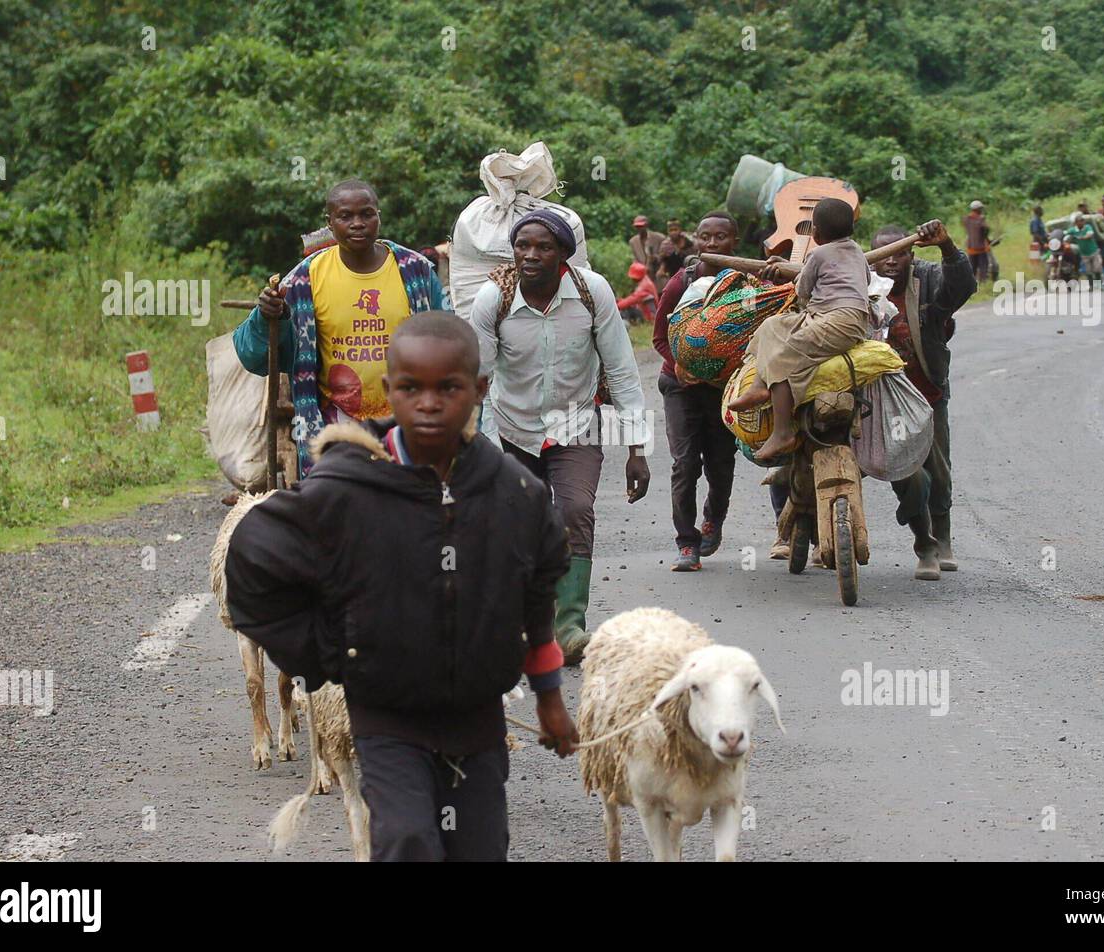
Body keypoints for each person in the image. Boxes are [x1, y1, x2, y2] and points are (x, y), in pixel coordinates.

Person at [223, 311, 579, 862]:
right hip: (387, 716)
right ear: (389, 391)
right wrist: (323, 654)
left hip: (477, 720)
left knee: (479, 851)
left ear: (480, 389)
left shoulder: (515, 495)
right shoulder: (350, 487)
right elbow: (254, 558)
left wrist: (550, 701)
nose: (430, 403)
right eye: (411, 388)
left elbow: (536, 598)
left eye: (449, 388)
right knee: (409, 841)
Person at [472, 209, 650, 664]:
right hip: (511, 427)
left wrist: (637, 449)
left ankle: (569, 625)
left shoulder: (593, 293)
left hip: (577, 423)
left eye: (543, 247)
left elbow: (623, 371)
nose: (530, 256)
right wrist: (477, 446)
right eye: (522, 246)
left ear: (564, 256)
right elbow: (477, 379)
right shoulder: (492, 299)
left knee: (574, 509)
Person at [233, 179, 445, 480]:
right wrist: (268, 317)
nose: (357, 224)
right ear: (329, 223)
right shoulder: (304, 279)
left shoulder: (415, 272)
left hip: (407, 420)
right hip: (335, 424)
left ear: (379, 217)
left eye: (367, 214)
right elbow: (251, 355)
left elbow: (447, 340)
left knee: (405, 505)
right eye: (346, 216)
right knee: (342, 508)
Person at [869, 221, 976, 579]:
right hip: (883, 404)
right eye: (883, 254)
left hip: (928, 395)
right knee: (908, 476)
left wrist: (947, 247)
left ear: (911, 254)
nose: (891, 261)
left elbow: (962, 287)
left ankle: (943, 538)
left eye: (899, 252)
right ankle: (924, 545)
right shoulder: (859, 287)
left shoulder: (928, 278)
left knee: (939, 473)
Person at [728, 197, 869, 463]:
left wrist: (787, 272)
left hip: (838, 320)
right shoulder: (858, 251)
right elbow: (864, 279)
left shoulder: (817, 254)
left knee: (785, 354)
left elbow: (801, 290)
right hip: (836, 317)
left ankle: (782, 432)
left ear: (815, 232)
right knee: (772, 326)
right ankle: (760, 385)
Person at [651, 211, 742, 572]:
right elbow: (659, 336)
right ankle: (686, 543)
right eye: (706, 237)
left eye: (721, 238)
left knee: (721, 464)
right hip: (680, 387)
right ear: (696, 240)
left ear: (734, 242)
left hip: (722, 390)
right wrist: (682, 366)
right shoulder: (681, 283)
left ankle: (712, 522)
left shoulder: (743, 284)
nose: (713, 244)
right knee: (685, 464)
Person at [1066, 212, 1103, 285]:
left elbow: (1090, 234)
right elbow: (1066, 233)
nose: (1081, 223)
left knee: (1097, 268)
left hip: (1093, 251)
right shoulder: (1073, 230)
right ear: (1076, 223)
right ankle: (1091, 285)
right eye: (1079, 221)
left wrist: (1083, 237)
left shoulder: (1087, 227)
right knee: (1088, 271)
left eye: (1082, 221)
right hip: (1084, 253)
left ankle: (1099, 284)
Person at [963, 200, 991, 282]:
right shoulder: (981, 219)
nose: (981, 210)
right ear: (978, 209)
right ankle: (983, 282)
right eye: (980, 209)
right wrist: (988, 240)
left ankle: (972, 282)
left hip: (970, 247)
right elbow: (986, 229)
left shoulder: (966, 219)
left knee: (972, 266)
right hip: (981, 247)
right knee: (983, 265)